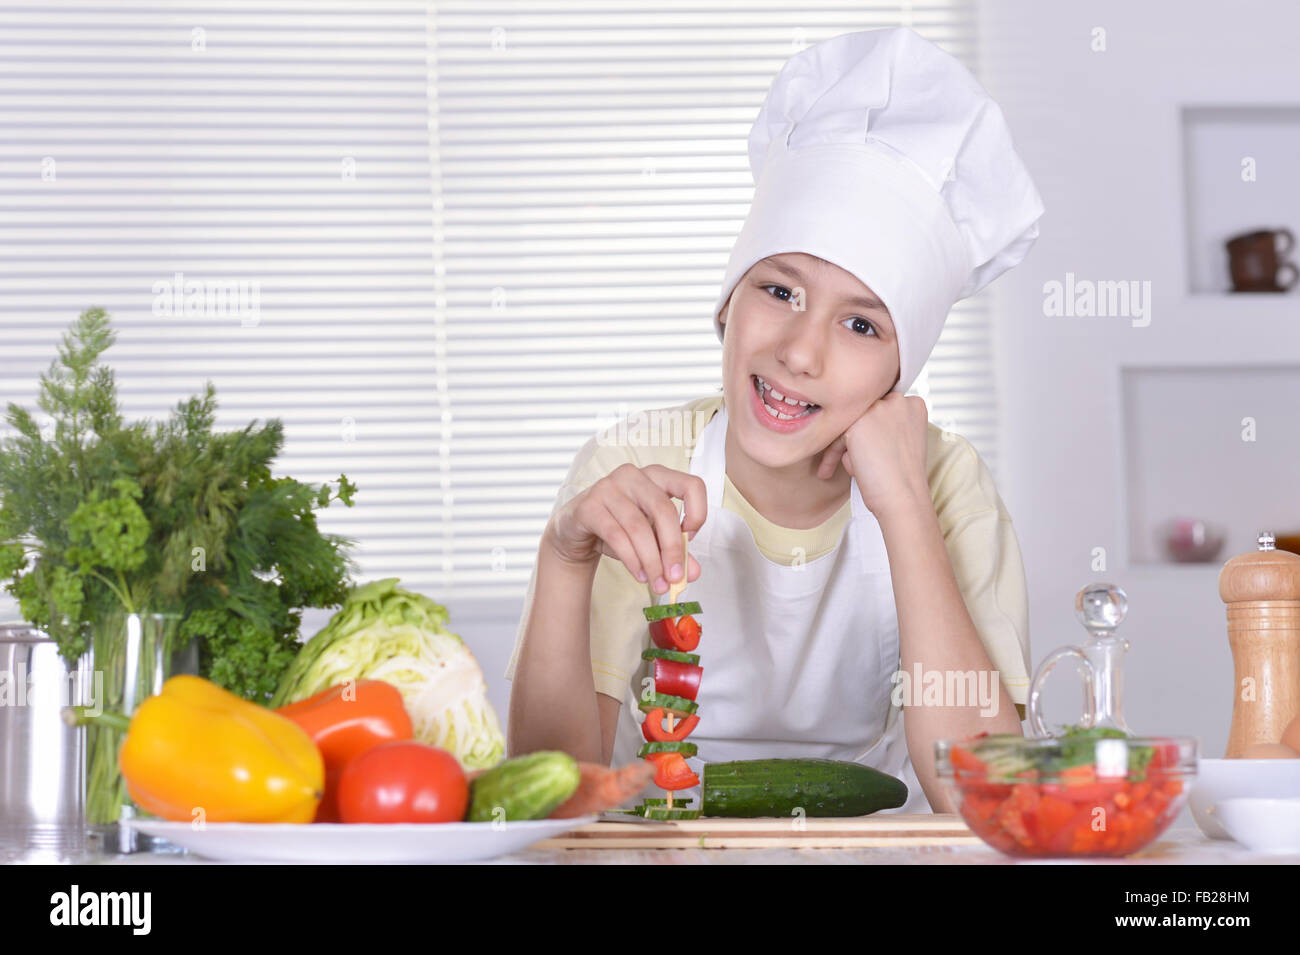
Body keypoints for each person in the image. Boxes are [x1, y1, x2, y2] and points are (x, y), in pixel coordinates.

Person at [504, 26, 1045, 814]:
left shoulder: (946, 479)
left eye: (861, 325)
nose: (799, 352)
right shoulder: (635, 463)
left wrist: (903, 506)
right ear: (728, 304)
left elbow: (988, 798)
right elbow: (552, 800)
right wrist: (565, 557)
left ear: (901, 373)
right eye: (780, 291)